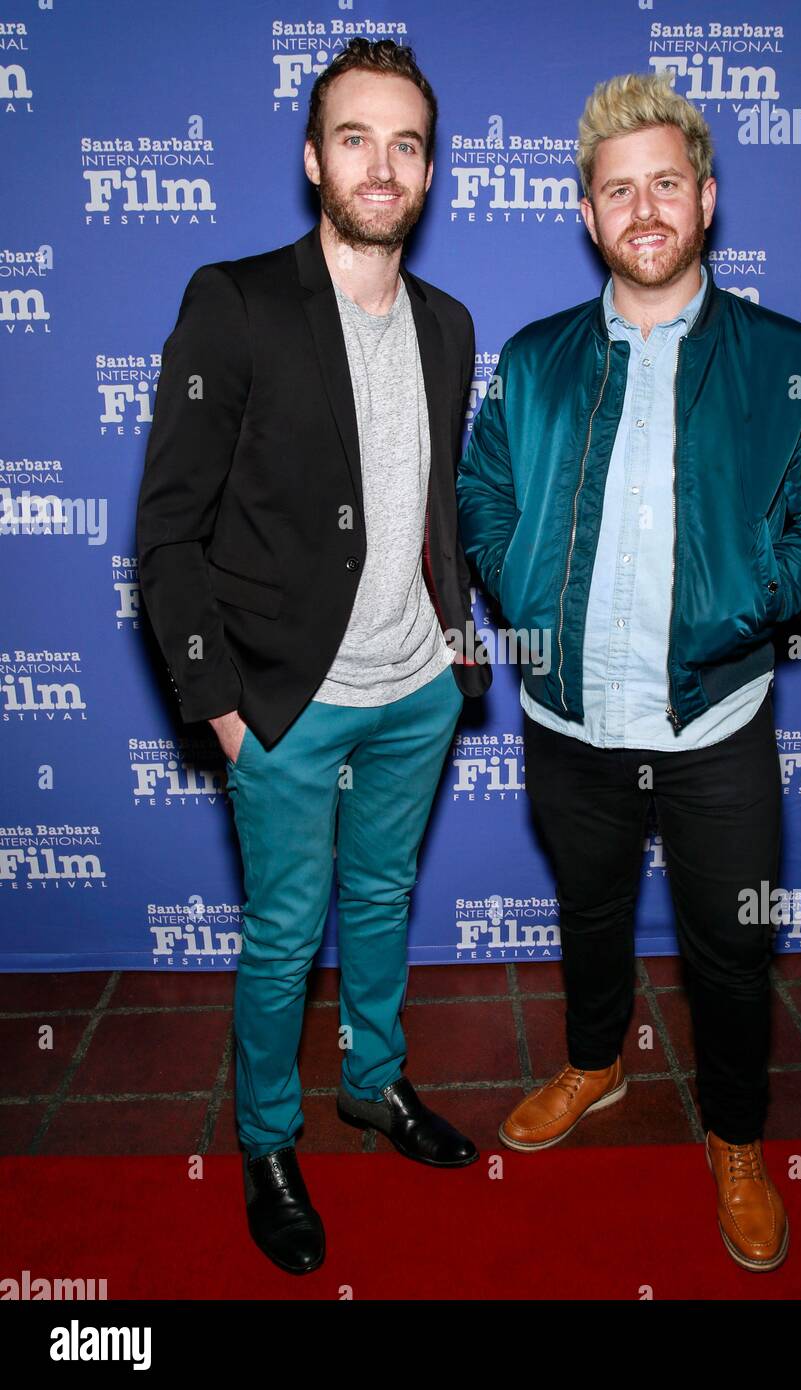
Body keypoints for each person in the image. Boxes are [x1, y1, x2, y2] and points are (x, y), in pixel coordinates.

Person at [457, 69, 801, 1273]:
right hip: (569, 719)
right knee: (589, 910)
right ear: (588, 217)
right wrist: (525, 588)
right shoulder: (537, 360)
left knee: (731, 947)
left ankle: (736, 1137)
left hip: (717, 723)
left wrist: (731, 607)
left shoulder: (786, 358)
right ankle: (596, 1062)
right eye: (615, 191)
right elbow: (482, 490)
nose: (641, 209)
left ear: (704, 198)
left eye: (664, 184)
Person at [136, 37, 491, 1276]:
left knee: (384, 905)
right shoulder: (232, 301)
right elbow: (166, 532)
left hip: (414, 693)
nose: (380, 164)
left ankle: (375, 1087)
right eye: (355, 137)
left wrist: (457, 660)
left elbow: (439, 504)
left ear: (431, 170)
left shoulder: (448, 325)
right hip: (284, 705)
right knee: (285, 935)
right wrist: (221, 709)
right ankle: (269, 1141)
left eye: (404, 143)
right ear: (311, 157)